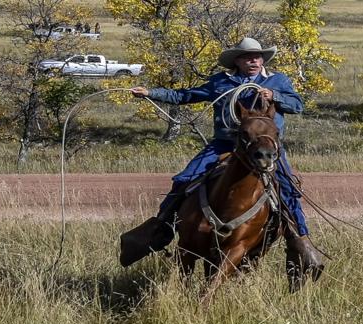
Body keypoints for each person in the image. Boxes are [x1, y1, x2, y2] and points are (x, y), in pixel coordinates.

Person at [120, 37, 324, 273]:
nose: (254, 61)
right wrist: (150, 92)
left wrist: (274, 97)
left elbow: (297, 105)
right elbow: (186, 95)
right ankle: (162, 227)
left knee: (287, 188)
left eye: (257, 57)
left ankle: (300, 240)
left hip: (264, 147)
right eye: (248, 57)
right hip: (225, 144)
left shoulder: (277, 81)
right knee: (184, 179)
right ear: (236, 60)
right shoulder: (221, 82)